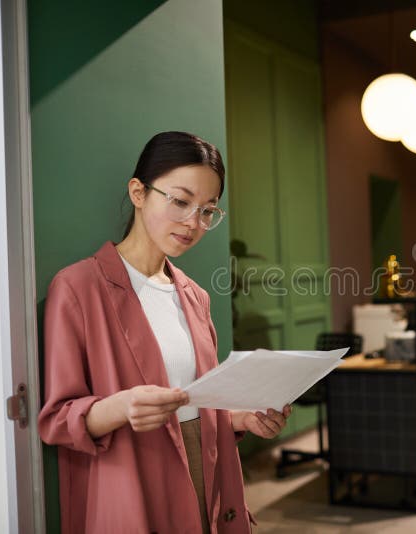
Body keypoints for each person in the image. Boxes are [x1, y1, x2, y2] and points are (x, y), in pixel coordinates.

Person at [38, 131, 291, 534]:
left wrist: (242, 418)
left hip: (205, 471)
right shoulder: (78, 287)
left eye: (208, 210)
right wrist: (122, 406)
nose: (194, 222)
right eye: (180, 201)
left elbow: (199, 399)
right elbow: (56, 418)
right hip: (135, 478)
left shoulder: (194, 296)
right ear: (138, 192)